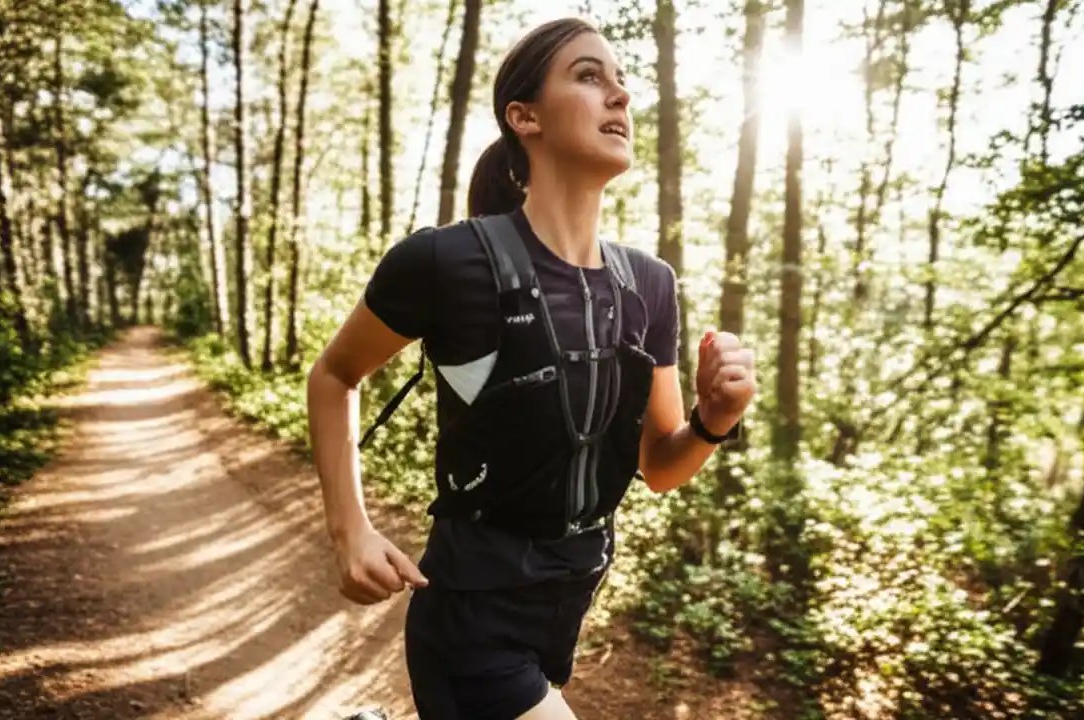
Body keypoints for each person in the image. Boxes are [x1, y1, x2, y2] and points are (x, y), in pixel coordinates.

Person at [307, 16, 756, 720]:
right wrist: (350, 530)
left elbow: (661, 467)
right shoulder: (447, 263)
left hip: (563, 613)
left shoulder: (650, 284)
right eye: (588, 75)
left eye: (623, 80)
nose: (620, 96)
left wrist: (714, 420)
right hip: (469, 623)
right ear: (524, 117)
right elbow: (334, 376)